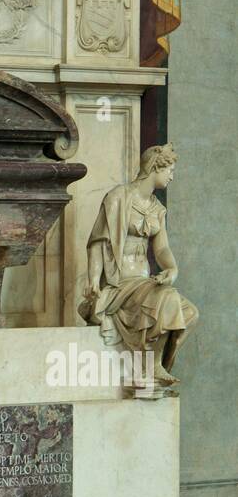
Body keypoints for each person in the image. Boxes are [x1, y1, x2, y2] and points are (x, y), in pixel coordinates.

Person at [79, 143, 198, 396]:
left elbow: (162, 249)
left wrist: (172, 269)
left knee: (190, 314)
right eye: (170, 170)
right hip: (119, 282)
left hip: (144, 282)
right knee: (167, 299)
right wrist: (92, 281)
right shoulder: (118, 197)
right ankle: (149, 368)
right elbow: (98, 243)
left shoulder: (157, 209)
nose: (172, 176)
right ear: (156, 167)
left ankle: (155, 365)